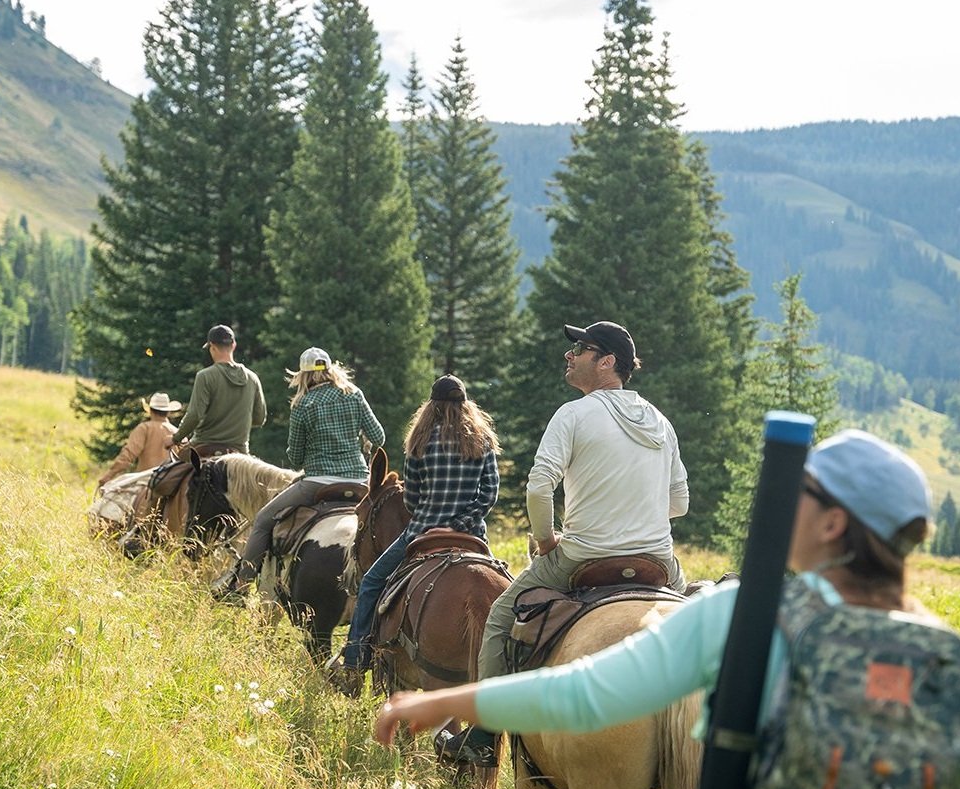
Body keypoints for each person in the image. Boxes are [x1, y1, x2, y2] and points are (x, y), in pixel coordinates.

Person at [373, 430, 960, 789]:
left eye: (799, 492)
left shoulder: (747, 617)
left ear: (832, 524)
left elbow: (587, 694)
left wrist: (446, 701)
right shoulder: (947, 649)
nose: (783, 505)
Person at [439, 320, 688, 763]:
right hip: (657, 559)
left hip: (582, 555)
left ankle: (484, 735)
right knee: (694, 614)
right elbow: (680, 503)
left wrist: (545, 540)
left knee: (499, 619)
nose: (569, 355)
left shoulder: (573, 414)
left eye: (581, 349)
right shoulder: (660, 421)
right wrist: (635, 515)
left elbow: (539, 489)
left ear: (606, 362)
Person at [325, 374, 500, 694]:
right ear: (466, 405)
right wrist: (461, 523)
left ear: (432, 406)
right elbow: (489, 493)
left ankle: (354, 663)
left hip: (423, 530)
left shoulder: (421, 440)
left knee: (371, 583)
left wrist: (434, 517)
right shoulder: (483, 440)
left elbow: (412, 498)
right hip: (472, 535)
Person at [213, 346, 385, 602]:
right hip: (360, 481)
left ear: (302, 375)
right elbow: (379, 437)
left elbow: (295, 457)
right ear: (331, 369)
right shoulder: (354, 394)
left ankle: (240, 586)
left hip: (318, 483)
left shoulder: (303, 404)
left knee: (262, 521)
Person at [170, 324, 267, 457]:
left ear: (212, 346)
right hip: (240, 451)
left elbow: (195, 415)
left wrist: (176, 438)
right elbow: (259, 419)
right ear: (233, 345)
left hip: (203, 446)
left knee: (170, 467)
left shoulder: (205, 376)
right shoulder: (252, 378)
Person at [96, 392, 182, 487]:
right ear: (168, 412)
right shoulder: (177, 433)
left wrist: (108, 476)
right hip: (172, 486)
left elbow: (128, 454)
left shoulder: (144, 428)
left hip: (145, 483)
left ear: (150, 410)